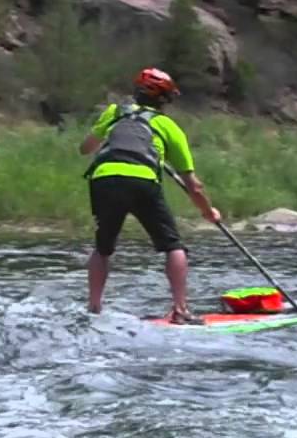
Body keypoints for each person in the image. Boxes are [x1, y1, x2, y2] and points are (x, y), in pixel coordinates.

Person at [78, 67, 221, 324]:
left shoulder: (114, 112)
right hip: (142, 181)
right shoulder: (168, 126)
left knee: (103, 247)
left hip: (103, 180)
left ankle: (94, 309)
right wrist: (208, 212)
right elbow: (193, 185)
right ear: (165, 99)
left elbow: (85, 148)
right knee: (174, 246)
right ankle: (180, 310)